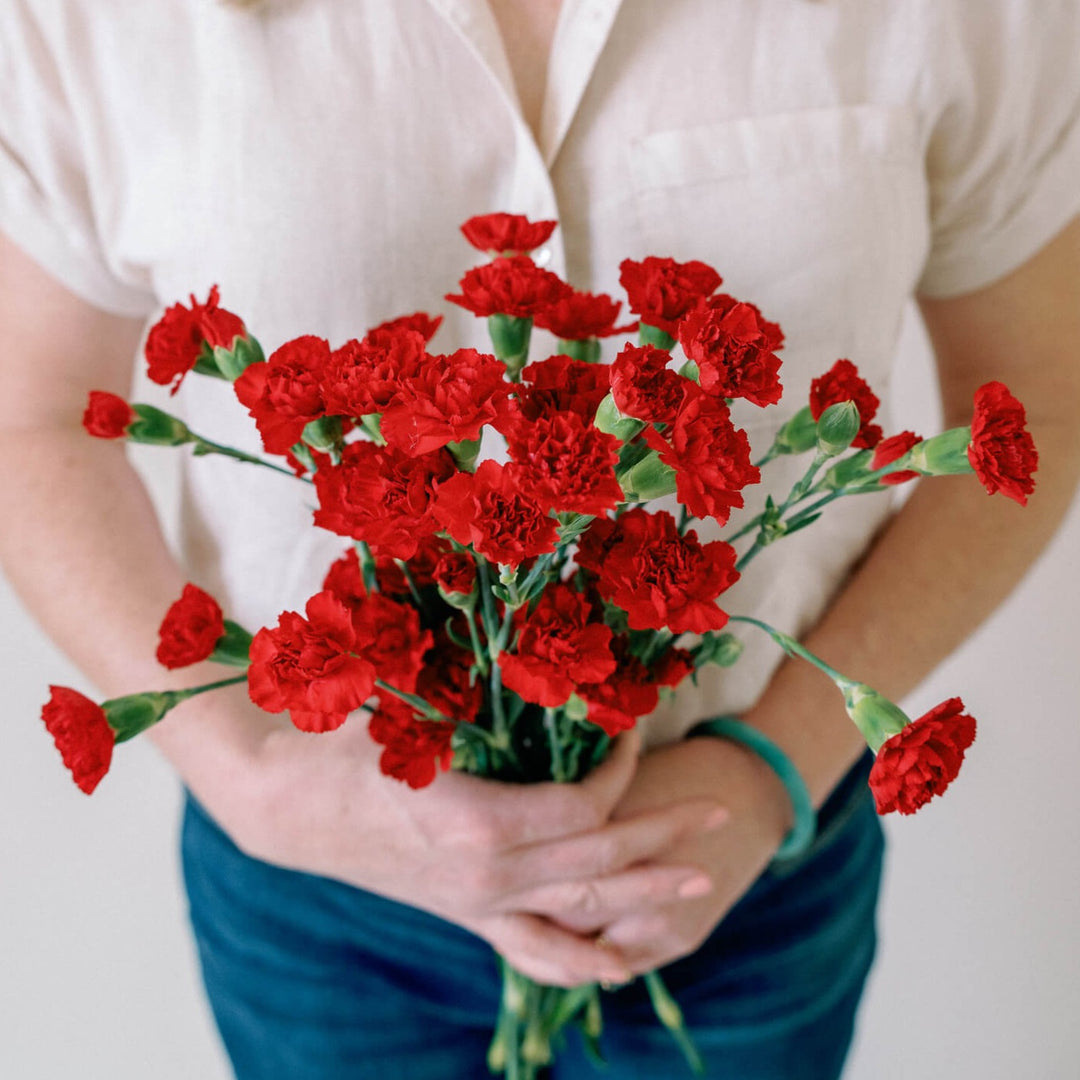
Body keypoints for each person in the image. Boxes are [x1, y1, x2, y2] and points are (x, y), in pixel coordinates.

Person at [1, 1, 1079, 1077]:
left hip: (743, 879)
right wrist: (248, 779)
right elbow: (28, 415)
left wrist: (774, 768)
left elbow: (1044, 394)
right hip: (322, 909)